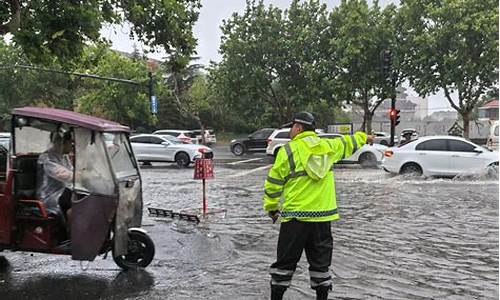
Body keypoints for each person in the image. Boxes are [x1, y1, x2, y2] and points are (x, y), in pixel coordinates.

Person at [263, 112, 374, 300]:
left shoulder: (288, 150)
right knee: (321, 267)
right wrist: (365, 137)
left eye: (292, 127)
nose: (291, 130)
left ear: (298, 128)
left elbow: (273, 184)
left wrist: (272, 208)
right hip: (323, 219)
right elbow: (349, 142)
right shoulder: (328, 146)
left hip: (295, 219)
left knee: (284, 266)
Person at [37, 130, 74, 235]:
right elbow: (63, 174)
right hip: (50, 196)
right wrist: (82, 176)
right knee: (76, 205)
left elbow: (73, 171)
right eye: (70, 142)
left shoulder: (64, 157)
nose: (72, 146)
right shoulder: (46, 158)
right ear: (61, 143)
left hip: (63, 191)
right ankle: (72, 236)